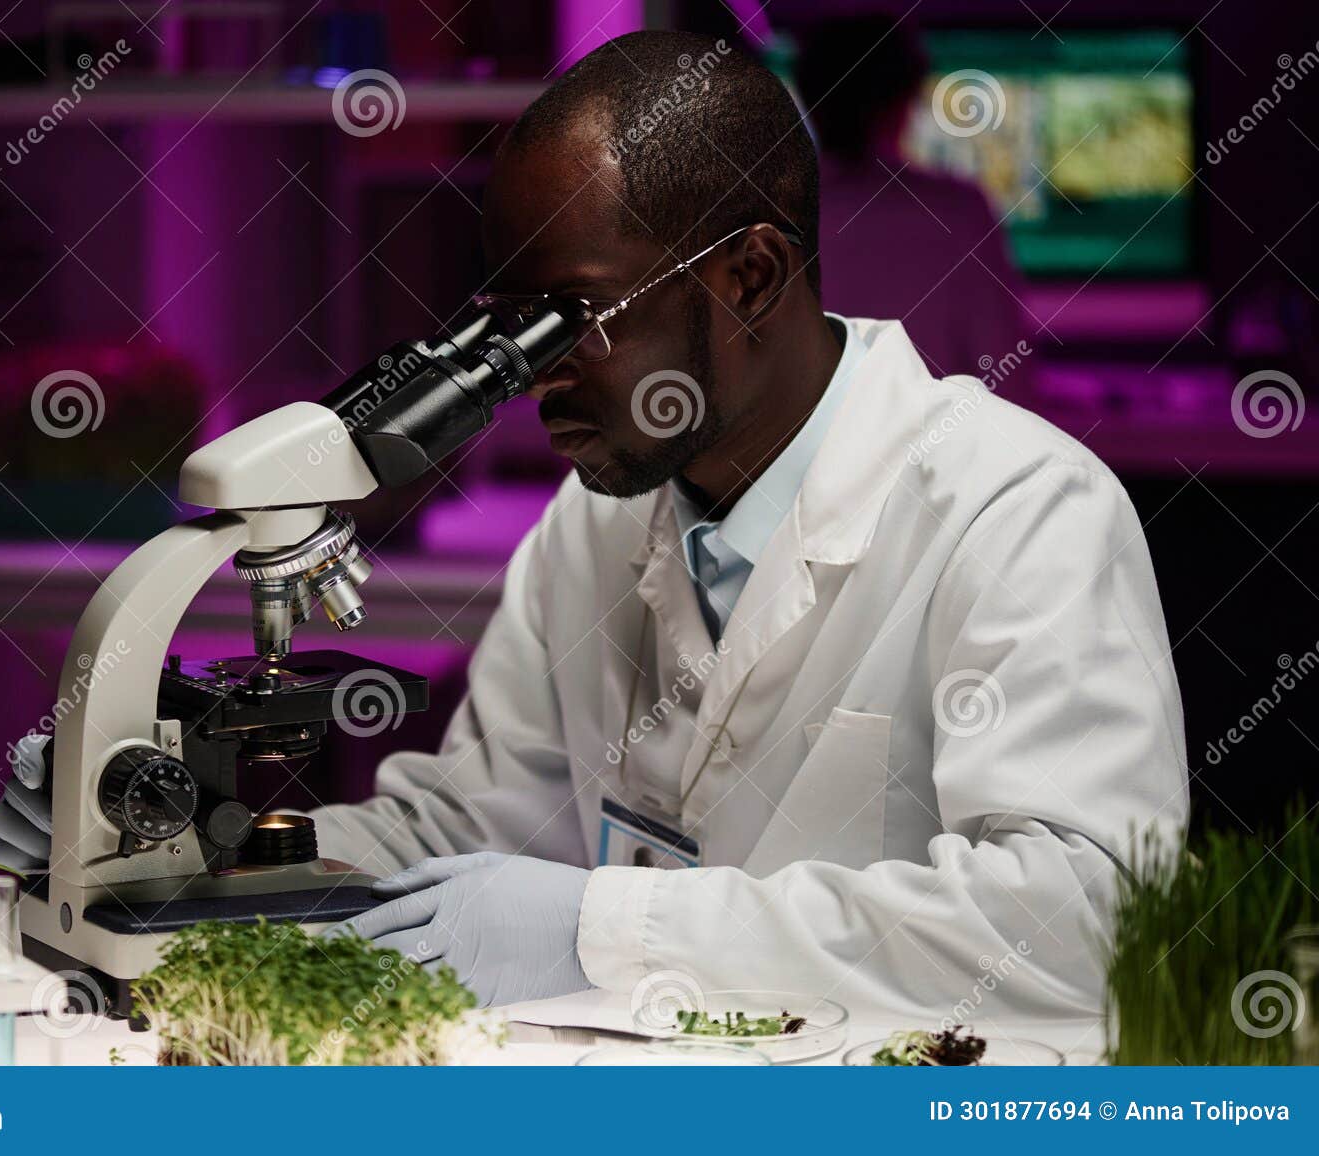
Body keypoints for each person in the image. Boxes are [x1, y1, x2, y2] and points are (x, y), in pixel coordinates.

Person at [309, 31, 1187, 1017]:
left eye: (576, 317)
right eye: (514, 325)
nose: (538, 377)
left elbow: (1079, 928)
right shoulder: (593, 524)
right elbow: (476, 817)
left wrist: (605, 928)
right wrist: (252, 877)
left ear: (751, 277)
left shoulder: (1021, 511)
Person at [795, 15, 1031, 382]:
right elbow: (1008, 379)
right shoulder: (959, 213)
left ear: (808, 97)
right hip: (940, 439)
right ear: (906, 100)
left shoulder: (766, 214)